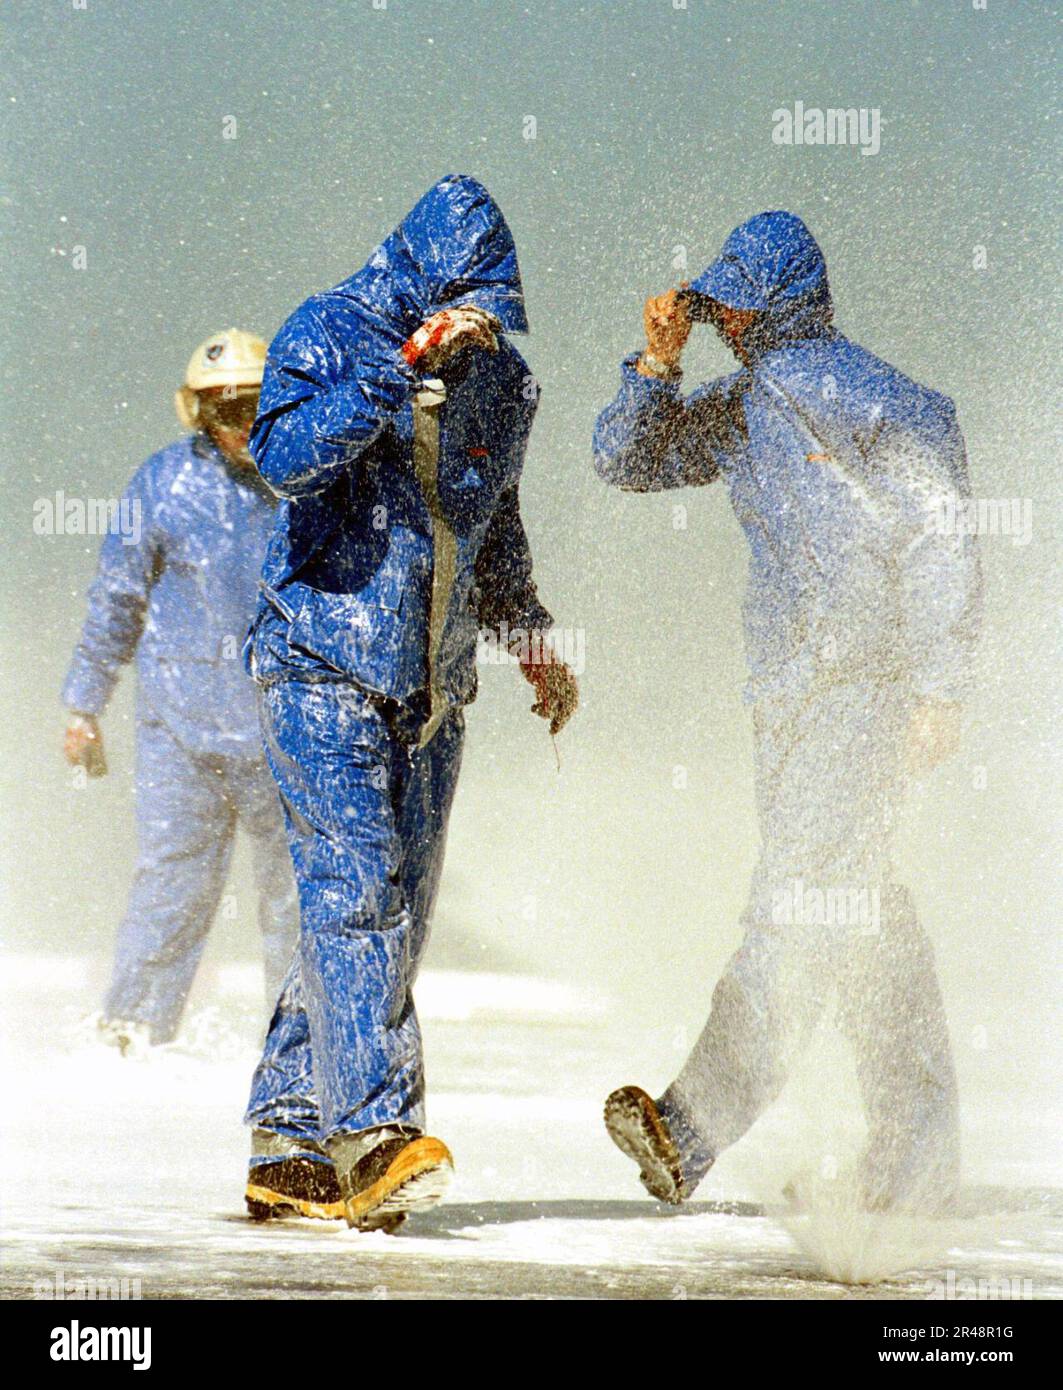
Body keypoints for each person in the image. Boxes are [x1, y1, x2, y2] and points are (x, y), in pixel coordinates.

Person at [593, 211, 981, 1214]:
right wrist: (654, 363)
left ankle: (690, 1128)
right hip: (789, 700)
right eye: (713, 304)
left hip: (863, 693)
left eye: (733, 302)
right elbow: (628, 461)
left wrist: (938, 684)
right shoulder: (743, 405)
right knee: (862, 921)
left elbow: (941, 533)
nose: (721, 319)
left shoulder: (877, 398)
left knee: (801, 906)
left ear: (778, 300)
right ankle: (916, 1164)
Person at [241, 175, 578, 1232]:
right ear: (425, 279)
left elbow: (495, 522)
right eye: (468, 305)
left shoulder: (504, 384)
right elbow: (284, 459)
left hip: (431, 681)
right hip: (317, 661)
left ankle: (290, 1137)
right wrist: (392, 377)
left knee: (391, 915)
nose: (482, 330)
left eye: (494, 312)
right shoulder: (328, 332)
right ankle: (377, 1136)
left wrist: (530, 637)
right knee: (358, 895)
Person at [62, 330, 299, 1052]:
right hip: (180, 730)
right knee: (171, 884)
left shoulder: (311, 481)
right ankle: (132, 1029)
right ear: (195, 413)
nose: (239, 429)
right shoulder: (162, 484)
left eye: (253, 409)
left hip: (285, 731)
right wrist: (83, 704)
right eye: (222, 412)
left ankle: (302, 1049)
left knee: (296, 899)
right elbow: (117, 598)